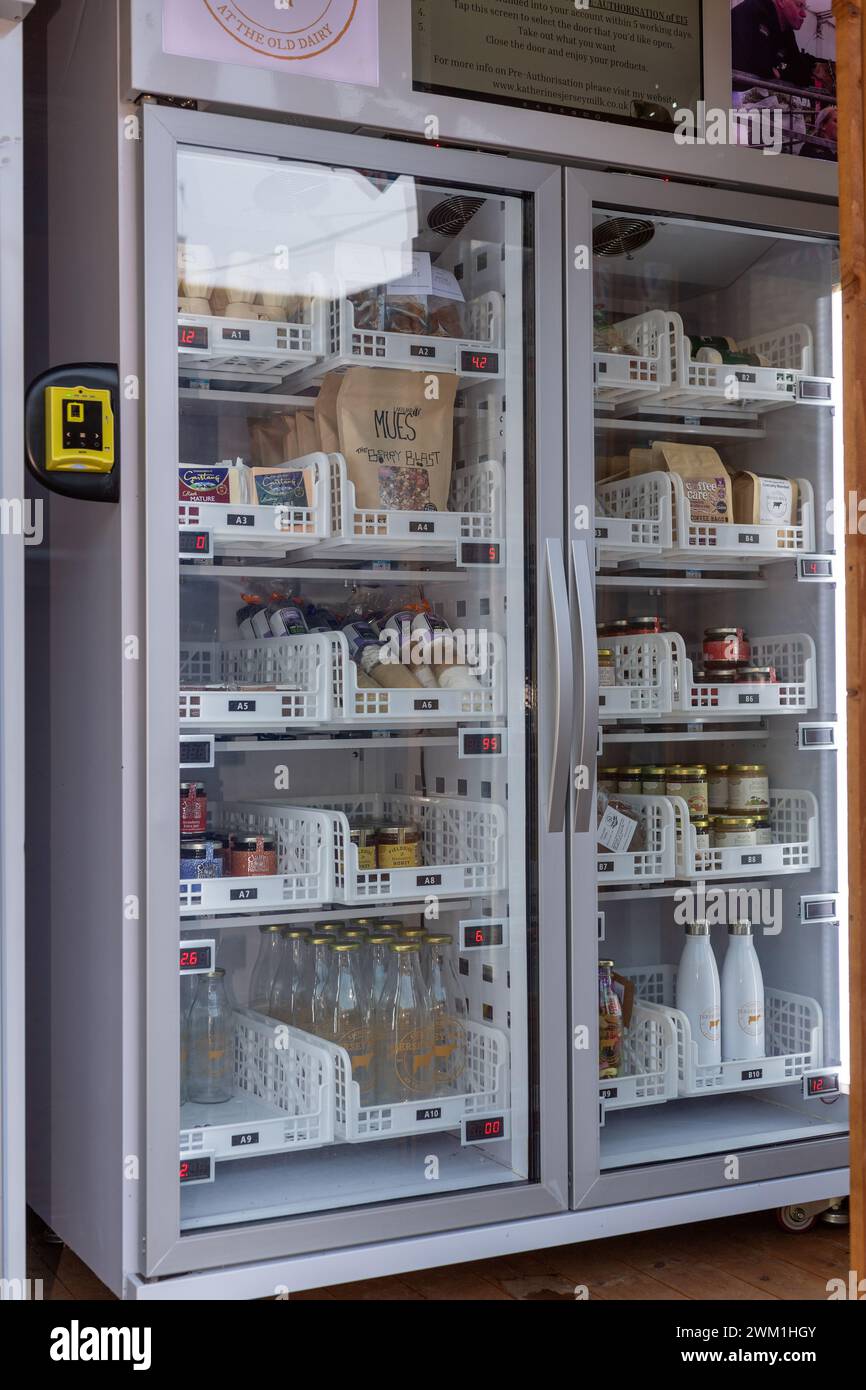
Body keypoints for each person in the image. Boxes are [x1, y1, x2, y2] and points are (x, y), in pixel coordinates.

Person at [731, 0, 817, 89]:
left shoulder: (787, 32)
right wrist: (776, 72)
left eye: (805, 8)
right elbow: (759, 64)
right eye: (799, 5)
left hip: (741, 91)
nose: (804, 14)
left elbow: (801, 73)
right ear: (781, 1)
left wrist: (778, 73)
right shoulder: (753, 10)